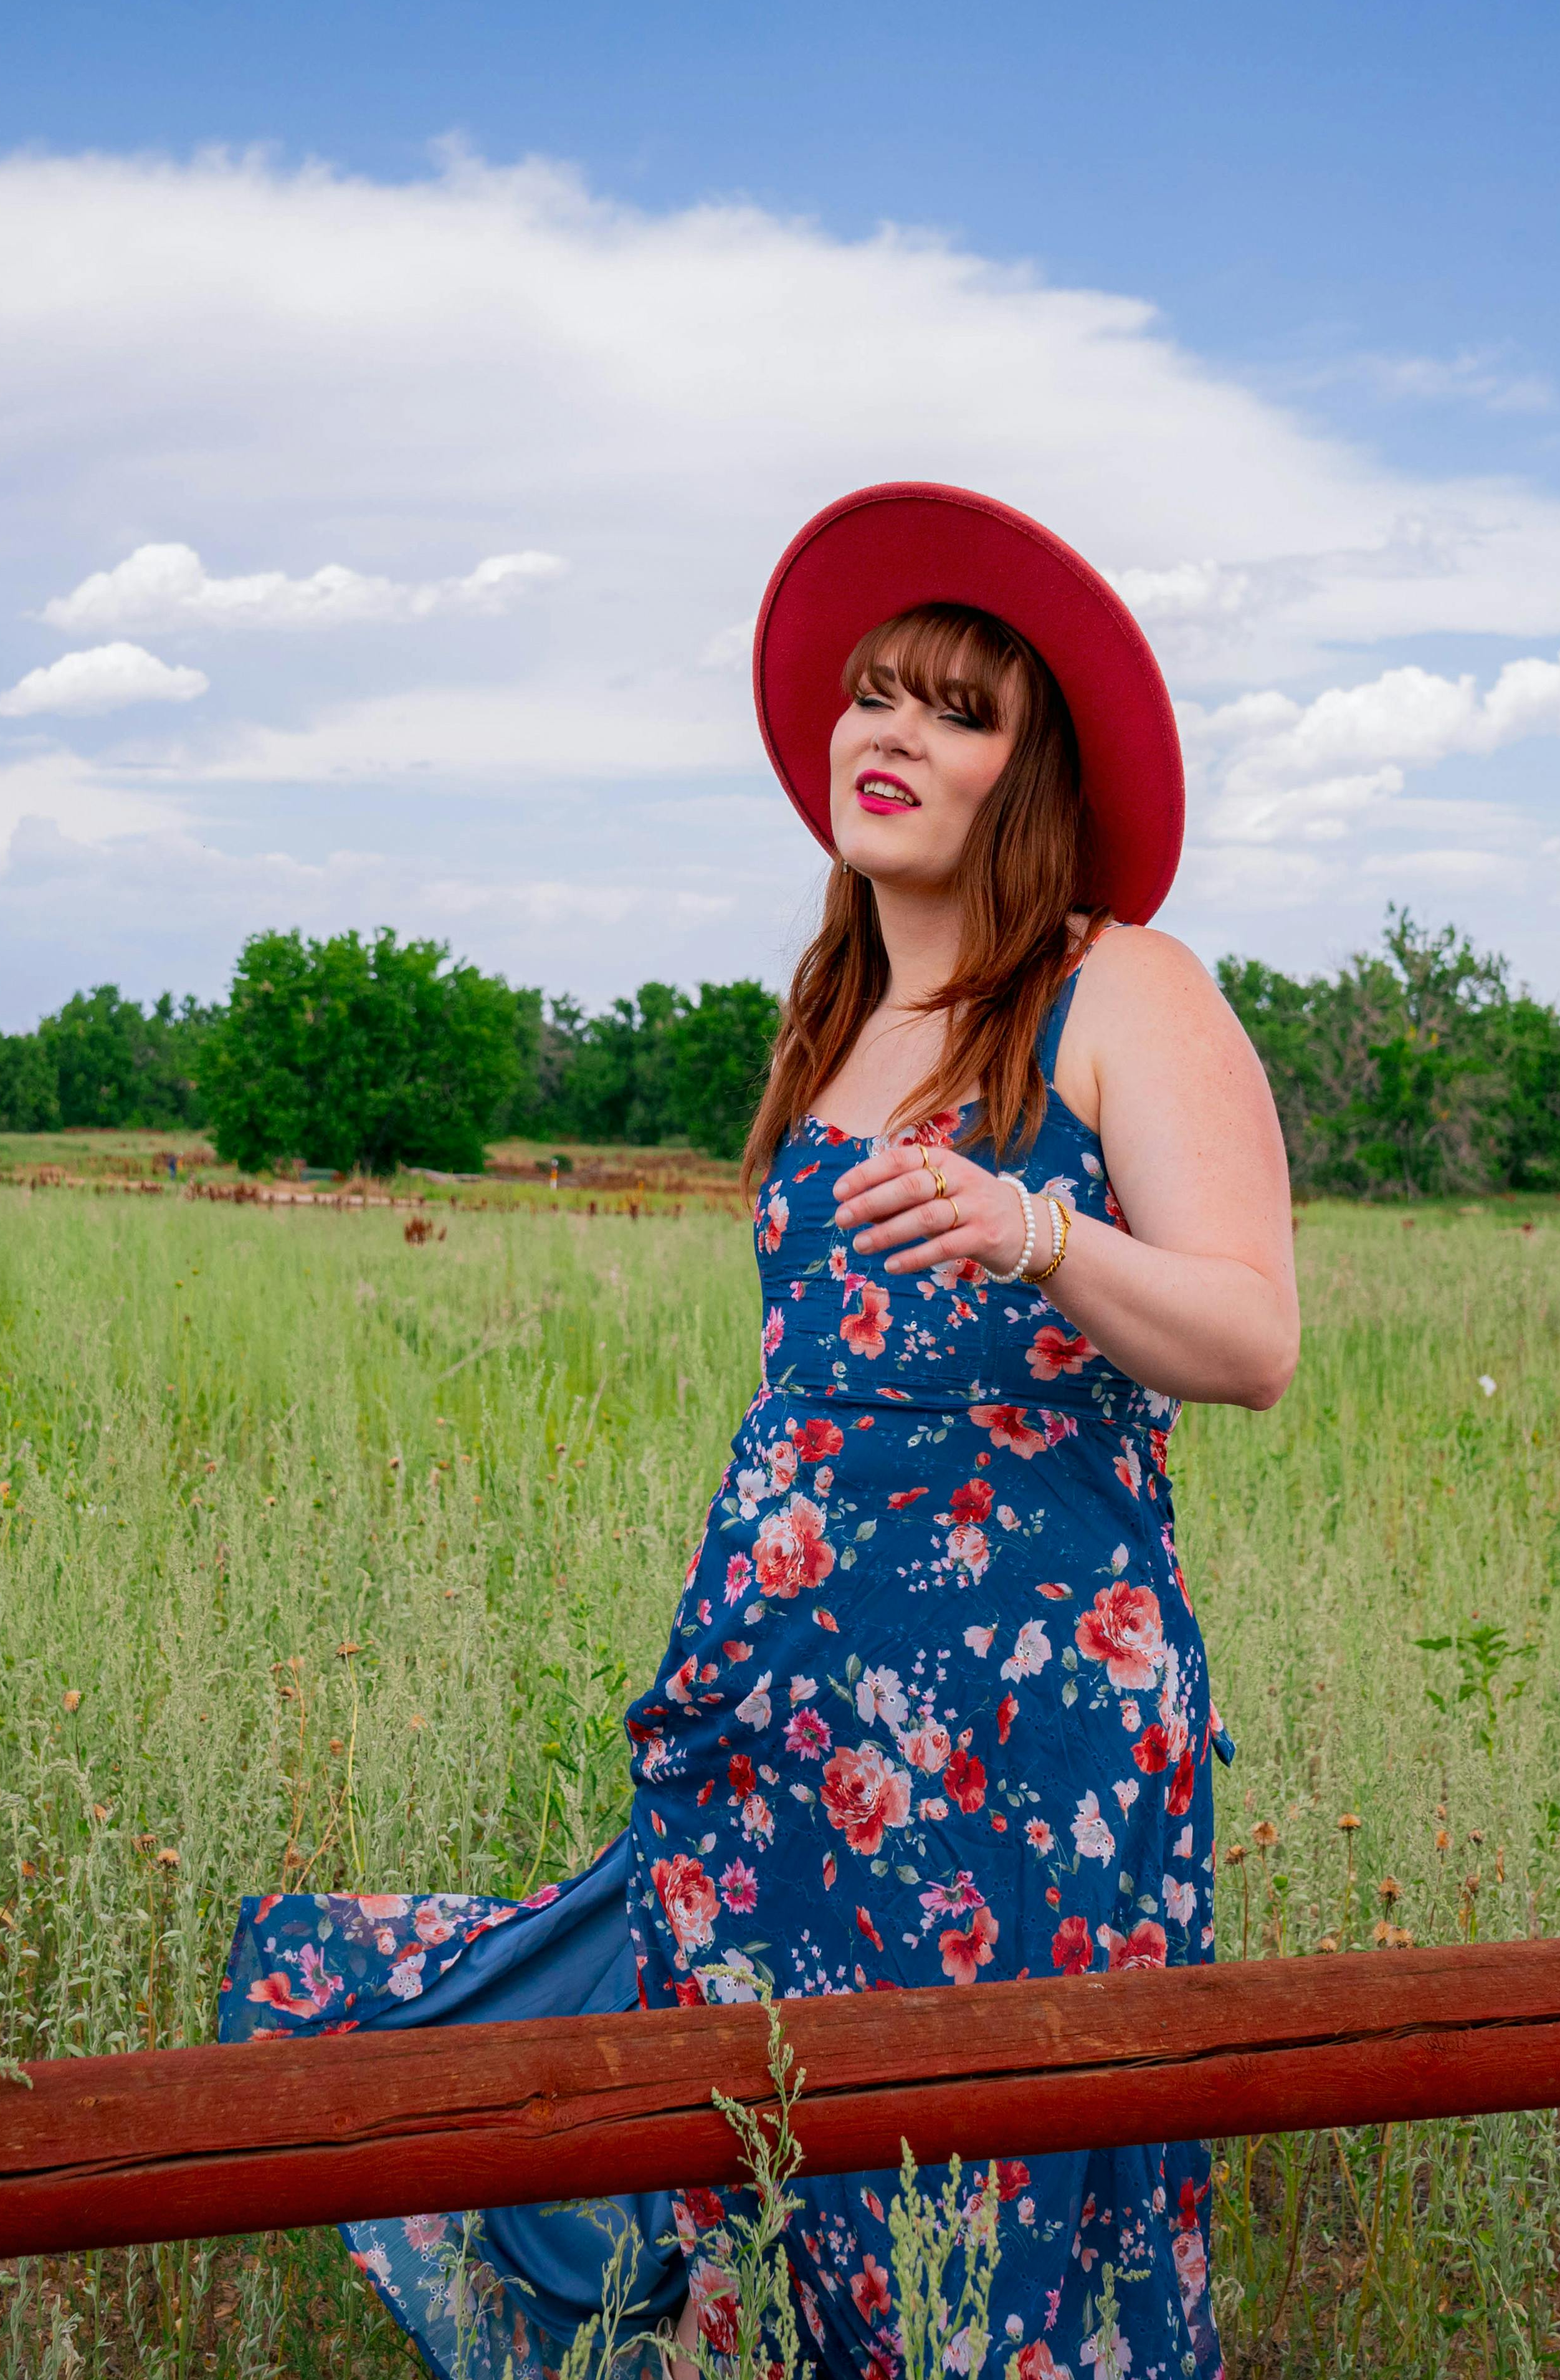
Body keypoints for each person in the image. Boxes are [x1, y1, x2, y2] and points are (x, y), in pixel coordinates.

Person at [226, 483, 1298, 2380]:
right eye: (872, 695)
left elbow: (1254, 1334)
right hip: (782, 1716)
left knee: (988, 2206)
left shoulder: (1123, 984)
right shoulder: (833, 1021)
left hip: (1020, 1736)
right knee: (745, 2171)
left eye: (955, 709)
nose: (890, 732)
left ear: (1023, 770)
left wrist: (1037, 1231)